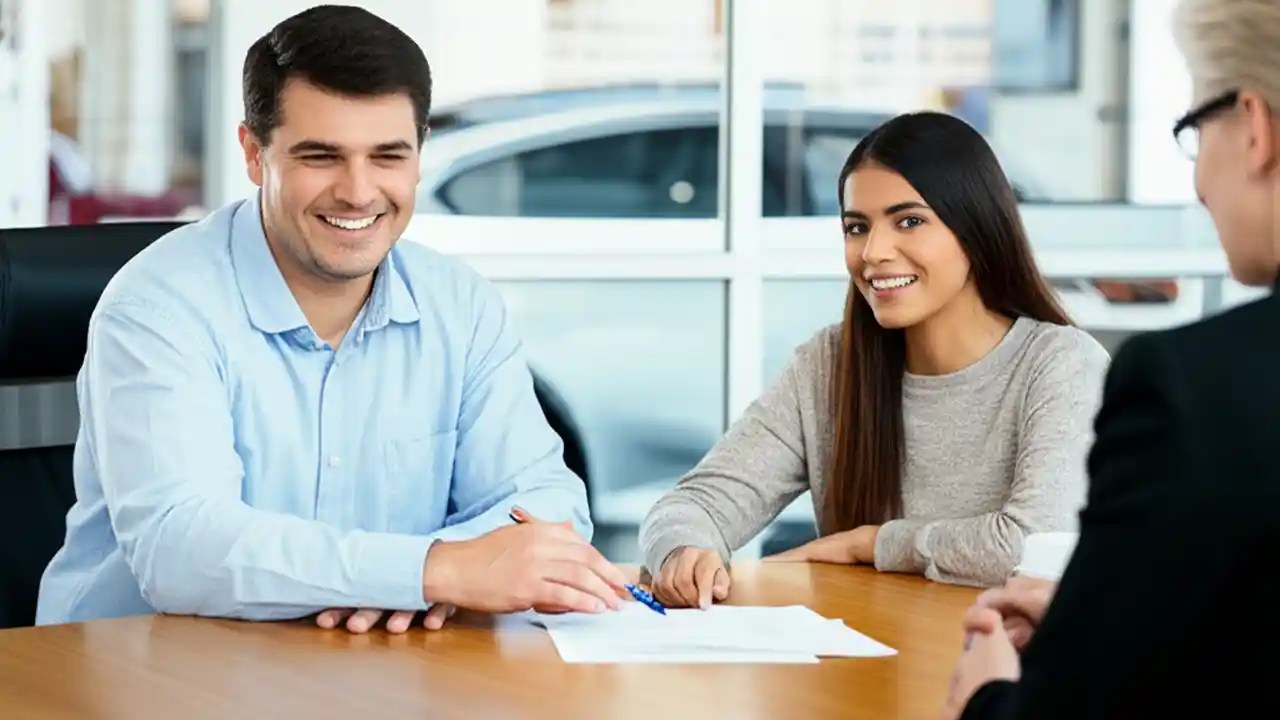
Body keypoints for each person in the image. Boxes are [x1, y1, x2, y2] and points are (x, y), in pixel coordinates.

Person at [36, 5, 627, 632]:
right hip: (142, 673)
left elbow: (548, 509)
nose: (357, 191)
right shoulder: (158, 308)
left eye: (388, 156)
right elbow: (182, 550)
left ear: (419, 156)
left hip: (371, 669)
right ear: (254, 153)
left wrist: (443, 574)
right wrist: (433, 571)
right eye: (321, 156)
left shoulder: (460, 305)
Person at [943, 0, 1280, 717]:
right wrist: (1108, 606)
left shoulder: (1193, 389)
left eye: (1194, 129)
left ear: (1255, 127)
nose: (1197, 184)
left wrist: (985, 698)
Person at [640, 112, 1110, 608]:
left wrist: (873, 544)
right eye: (856, 227)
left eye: (909, 221)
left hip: (999, 671)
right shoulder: (830, 364)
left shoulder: (1062, 364)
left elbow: (1033, 545)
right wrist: (685, 550)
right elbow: (694, 505)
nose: (873, 252)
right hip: (863, 665)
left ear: (976, 226)